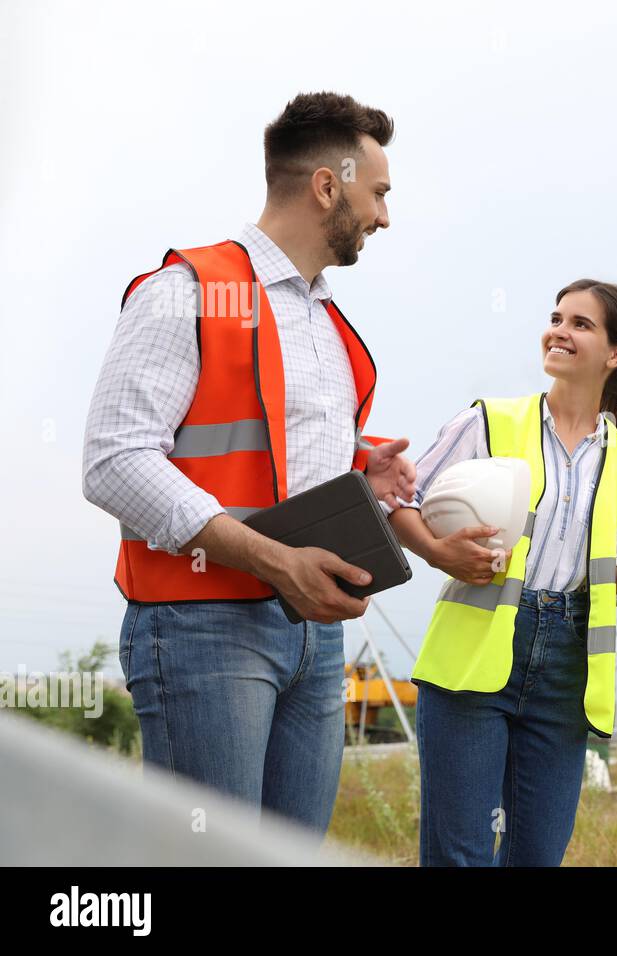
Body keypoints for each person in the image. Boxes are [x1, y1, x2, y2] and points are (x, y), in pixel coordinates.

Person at [82, 92, 415, 835]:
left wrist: (363, 468)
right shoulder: (184, 292)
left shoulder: (328, 327)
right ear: (327, 186)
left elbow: (269, 450)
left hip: (313, 632)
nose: (385, 217)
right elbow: (114, 459)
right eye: (379, 194)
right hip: (202, 626)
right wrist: (271, 558)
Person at [388, 278, 617, 866]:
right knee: (459, 856)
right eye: (556, 318)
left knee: (537, 857)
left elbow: (612, 574)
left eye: (580, 324)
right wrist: (440, 554)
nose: (559, 332)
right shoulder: (489, 421)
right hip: (474, 654)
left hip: (566, 670)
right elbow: (398, 503)